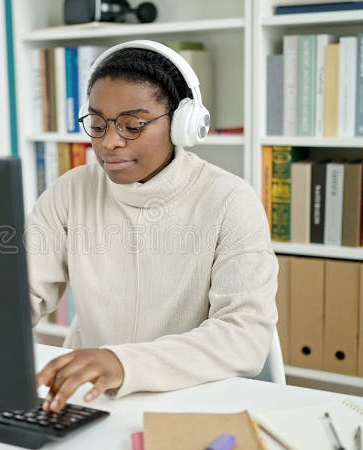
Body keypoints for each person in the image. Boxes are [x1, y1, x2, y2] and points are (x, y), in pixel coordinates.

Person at [25, 40, 278, 412]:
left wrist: (122, 362)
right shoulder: (72, 190)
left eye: (132, 125)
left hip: (191, 399)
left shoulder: (229, 201)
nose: (110, 142)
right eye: (97, 124)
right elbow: (20, 296)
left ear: (181, 124)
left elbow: (244, 336)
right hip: (90, 397)